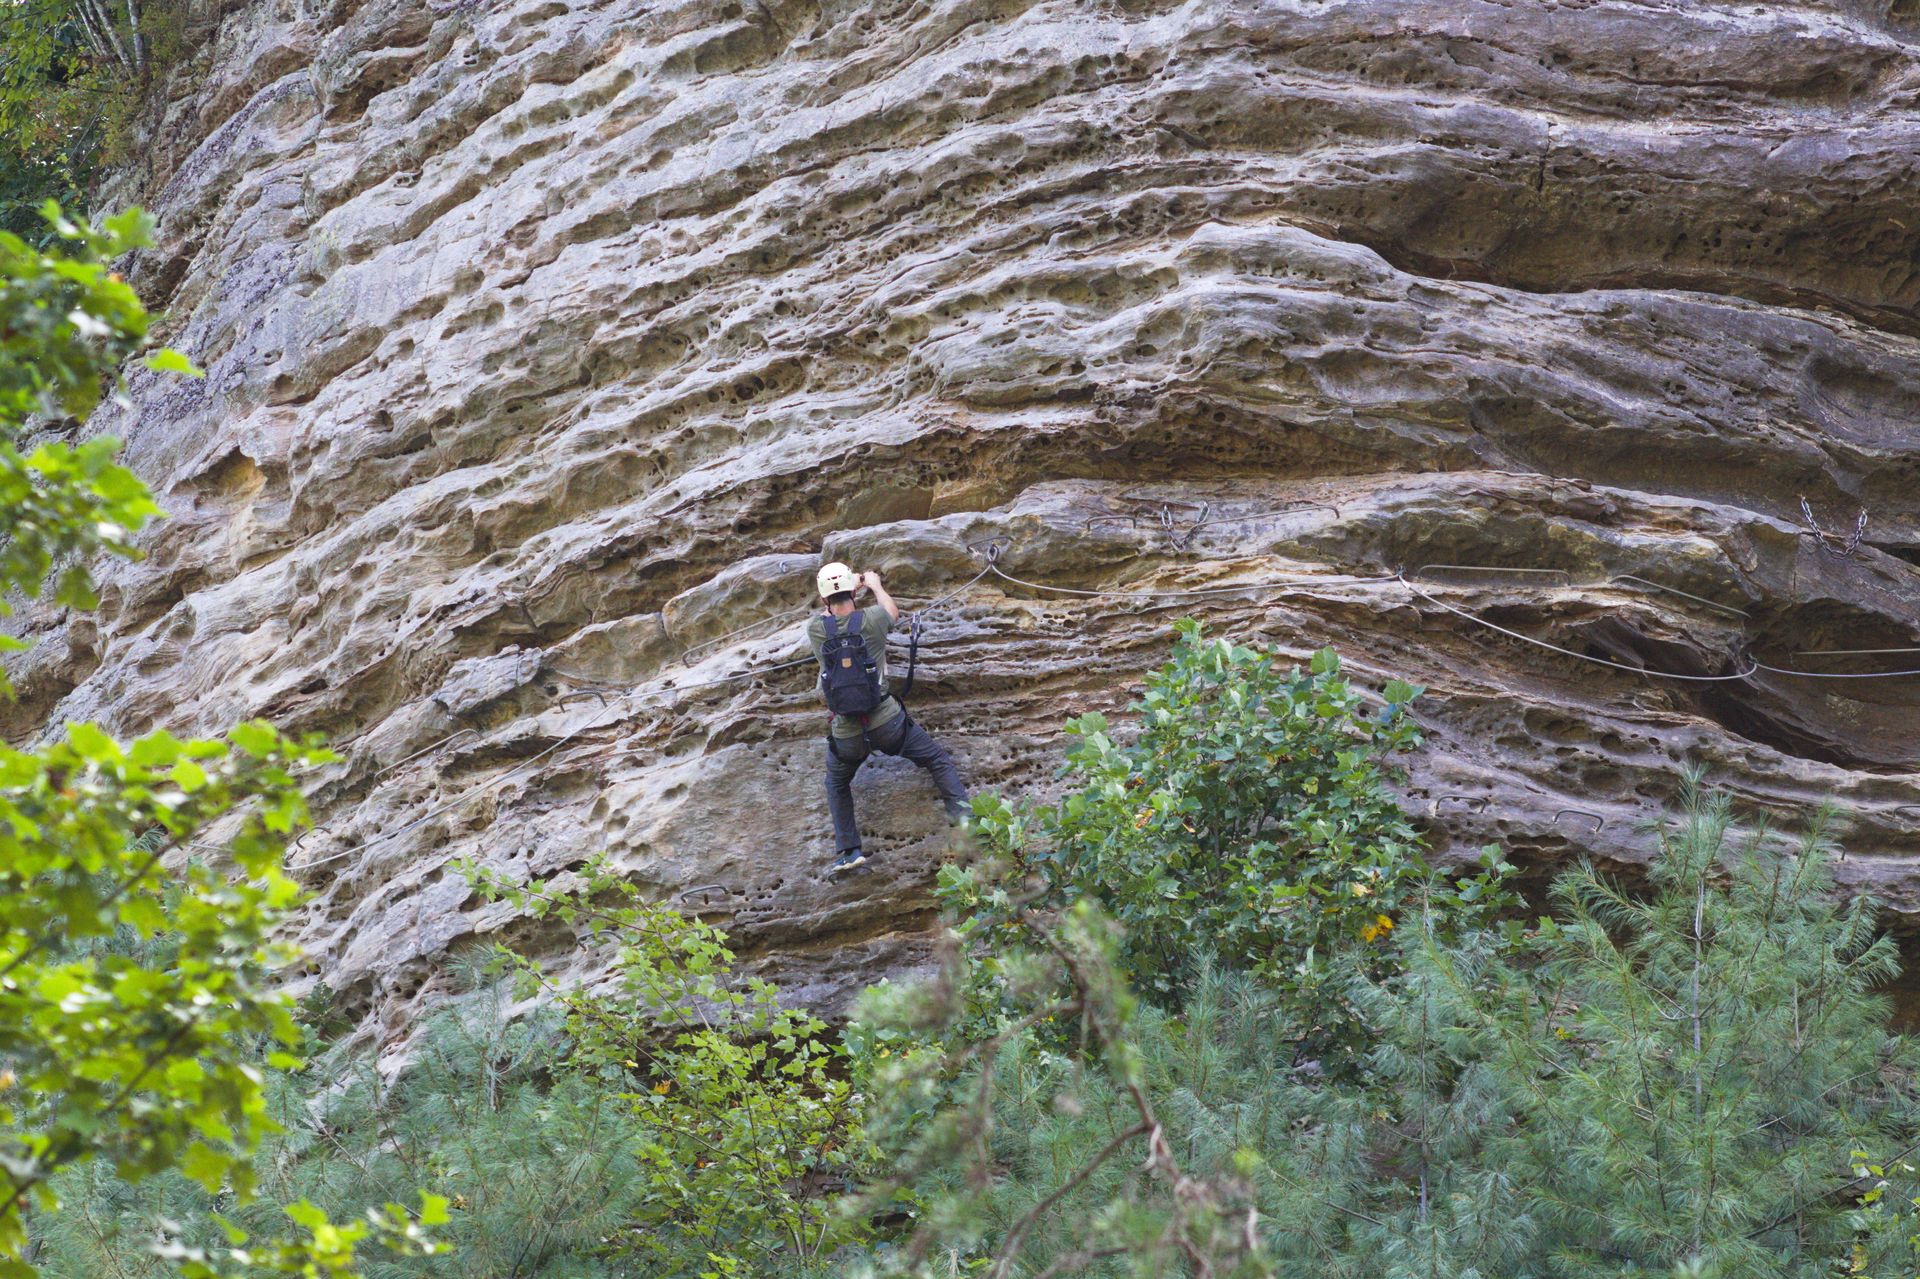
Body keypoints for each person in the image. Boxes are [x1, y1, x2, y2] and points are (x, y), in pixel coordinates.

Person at [808, 562, 970, 875]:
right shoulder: (873, 619)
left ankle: (849, 852)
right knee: (936, 759)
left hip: (847, 735)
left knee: (836, 783)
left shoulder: (816, 629)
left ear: (823, 599)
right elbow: (892, 612)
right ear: (852, 592)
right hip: (888, 723)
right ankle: (964, 820)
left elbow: (831, 617)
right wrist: (874, 585)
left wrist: (848, 588)